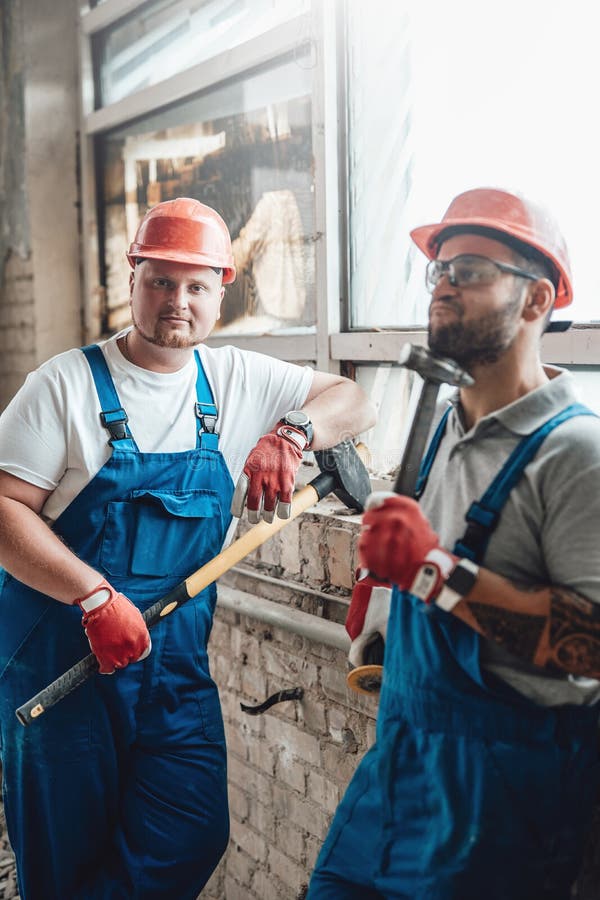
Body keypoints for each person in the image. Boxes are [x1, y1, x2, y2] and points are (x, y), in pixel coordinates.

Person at [0, 197, 375, 900]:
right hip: (64, 656)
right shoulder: (64, 385)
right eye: (161, 281)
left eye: (196, 285)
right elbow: (4, 514)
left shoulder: (236, 380)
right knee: (64, 857)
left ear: (220, 291)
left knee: (190, 831)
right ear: (133, 277)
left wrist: (291, 433)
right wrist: (93, 593)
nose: (178, 300)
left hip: (171, 669)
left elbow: (354, 398)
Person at [308, 187, 600, 900]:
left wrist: (433, 572)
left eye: (469, 270)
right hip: (403, 762)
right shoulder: (441, 424)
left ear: (536, 301)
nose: (442, 287)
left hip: (506, 800)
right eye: (438, 270)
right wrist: (381, 612)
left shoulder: (576, 454)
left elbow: (589, 648)